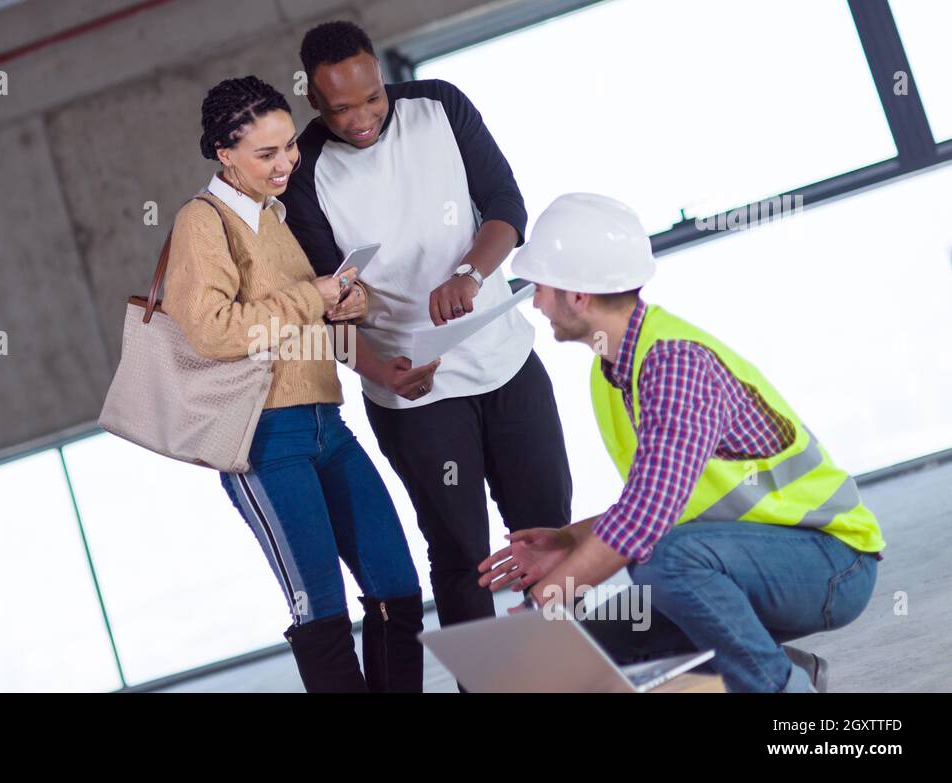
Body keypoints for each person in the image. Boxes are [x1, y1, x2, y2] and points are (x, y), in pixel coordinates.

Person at [478, 192, 886, 693]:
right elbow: (665, 501)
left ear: (578, 295)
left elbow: (647, 517)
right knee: (583, 650)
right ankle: (784, 669)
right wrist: (568, 541)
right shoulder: (614, 370)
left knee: (664, 562)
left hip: (832, 563)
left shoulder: (675, 364)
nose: (537, 302)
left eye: (540, 288)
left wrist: (550, 596)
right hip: (744, 558)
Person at [279, 21, 573, 639]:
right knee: (461, 557)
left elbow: (505, 205)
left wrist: (469, 273)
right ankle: (484, 682)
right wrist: (378, 371)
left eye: (372, 99)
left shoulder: (440, 105)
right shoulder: (303, 174)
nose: (362, 119)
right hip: (415, 396)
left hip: (505, 364)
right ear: (312, 98)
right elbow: (325, 308)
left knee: (550, 536)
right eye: (341, 109)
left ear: (382, 76)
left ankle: (568, 671)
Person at [162, 75, 423, 692]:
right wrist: (314, 297)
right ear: (225, 154)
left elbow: (300, 314)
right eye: (266, 154)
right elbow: (213, 331)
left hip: (327, 424)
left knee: (398, 589)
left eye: (289, 147)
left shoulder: (274, 215)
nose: (285, 164)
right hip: (263, 439)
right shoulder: (203, 221)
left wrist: (347, 302)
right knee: (321, 611)